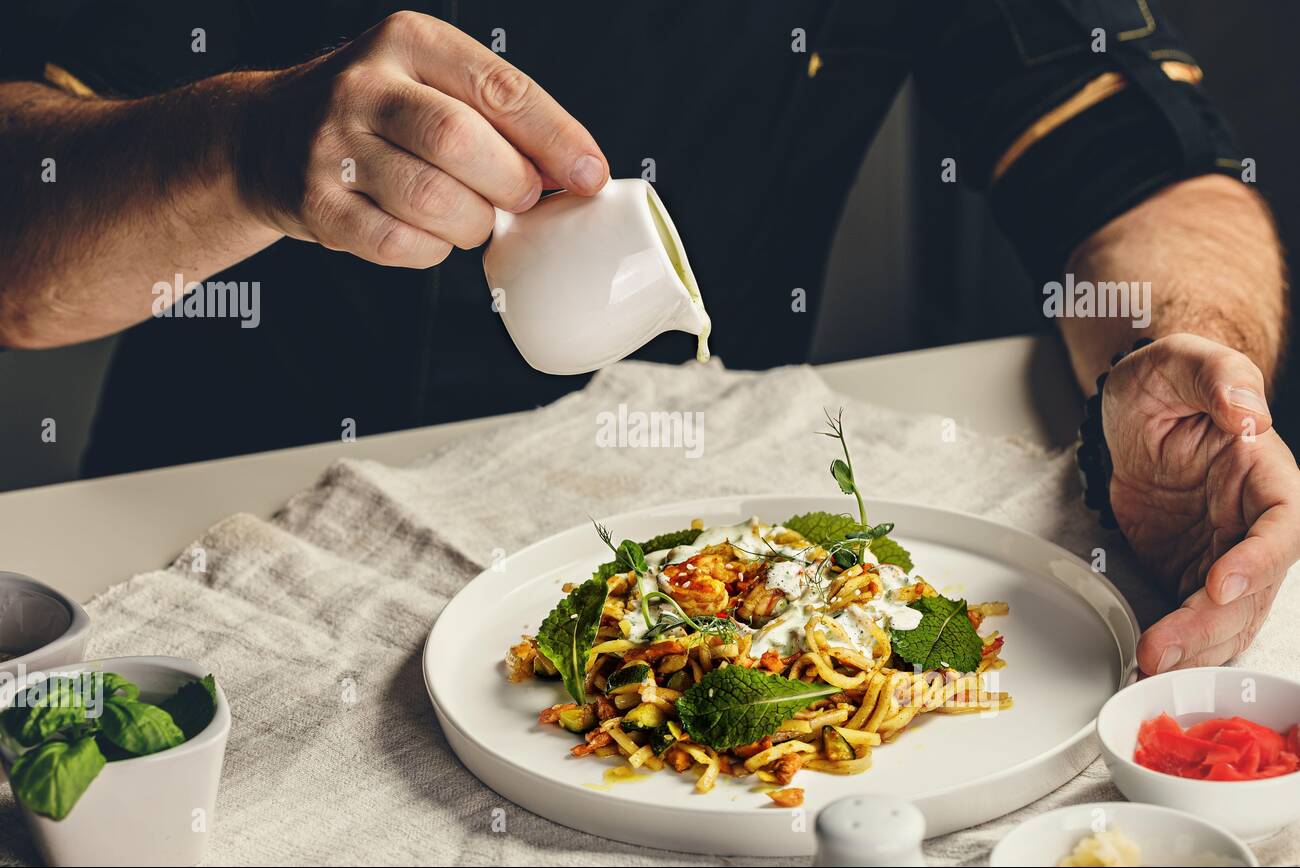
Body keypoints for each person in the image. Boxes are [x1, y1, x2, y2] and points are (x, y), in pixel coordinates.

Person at [0, 1, 1294, 677]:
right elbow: (24, 266)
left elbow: (1145, 168)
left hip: (703, 528)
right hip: (227, 524)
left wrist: (1174, 360)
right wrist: (240, 145)